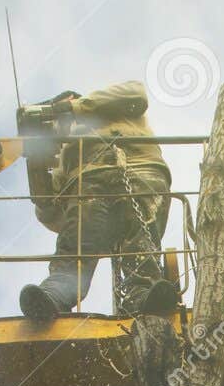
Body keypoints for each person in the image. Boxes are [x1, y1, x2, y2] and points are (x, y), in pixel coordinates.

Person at [17, 79, 178, 320]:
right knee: (76, 245)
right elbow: (53, 215)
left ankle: (143, 294)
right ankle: (55, 294)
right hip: (88, 185)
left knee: (141, 239)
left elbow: (136, 93)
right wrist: (37, 170)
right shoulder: (66, 159)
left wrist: (69, 108)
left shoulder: (109, 107)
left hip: (141, 169)